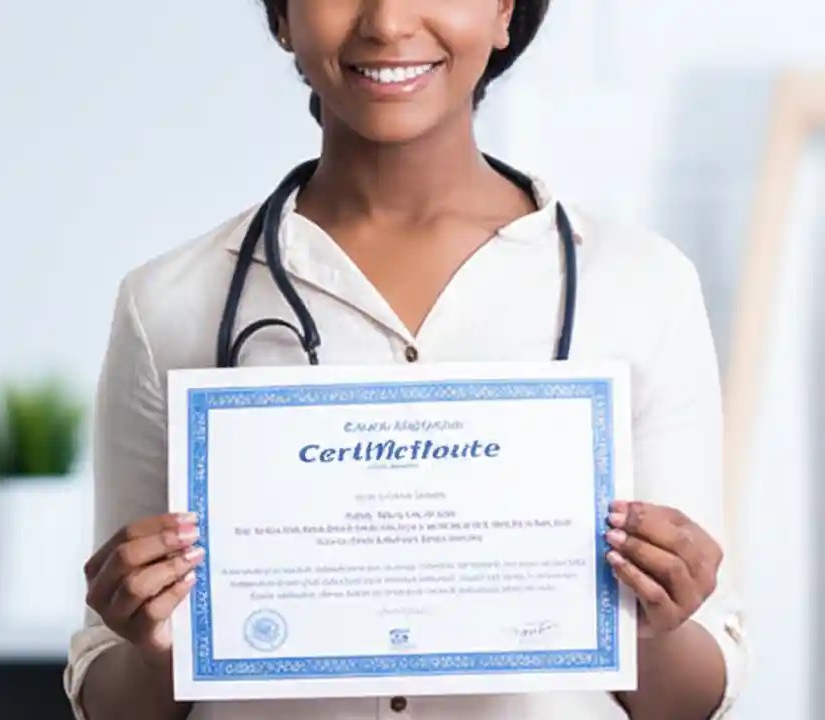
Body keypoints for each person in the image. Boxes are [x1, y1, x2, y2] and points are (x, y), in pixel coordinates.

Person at [63, 1, 747, 718]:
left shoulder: (639, 284)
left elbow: (693, 698)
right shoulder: (169, 305)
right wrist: (150, 639)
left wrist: (662, 620)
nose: (387, 23)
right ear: (281, 17)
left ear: (505, 11)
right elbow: (110, 698)